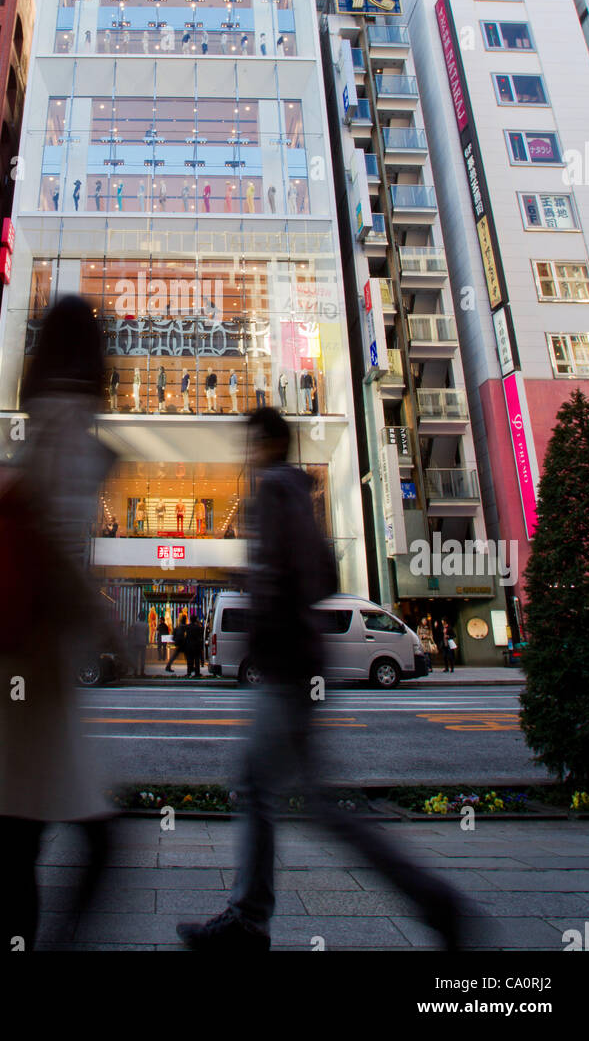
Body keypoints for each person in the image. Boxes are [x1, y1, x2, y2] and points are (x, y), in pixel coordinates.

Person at [176, 407, 466, 952]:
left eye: (250, 441)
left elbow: (294, 575)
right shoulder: (300, 496)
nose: (245, 450)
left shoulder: (274, 494)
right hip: (300, 664)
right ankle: (429, 899)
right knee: (310, 800)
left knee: (268, 790)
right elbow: (325, 573)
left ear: (264, 443)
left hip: (286, 667)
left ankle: (249, 920)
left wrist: (261, 589)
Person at [0, 296, 116, 956]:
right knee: (53, 847)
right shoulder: (71, 422)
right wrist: (111, 627)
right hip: (25, 677)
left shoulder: (41, 417)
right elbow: (54, 547)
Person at [131, 611, 149, 676]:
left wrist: (132, 641)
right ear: (144, 617)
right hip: (143, 643)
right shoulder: (146, 625)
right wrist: (147, 642)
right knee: (142, 658)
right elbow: (147, 635)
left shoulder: (135, 624)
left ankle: (135, 671)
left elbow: (133, 634)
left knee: (135, 657)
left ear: (139, 617)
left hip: (136, 642)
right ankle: (142, 672)